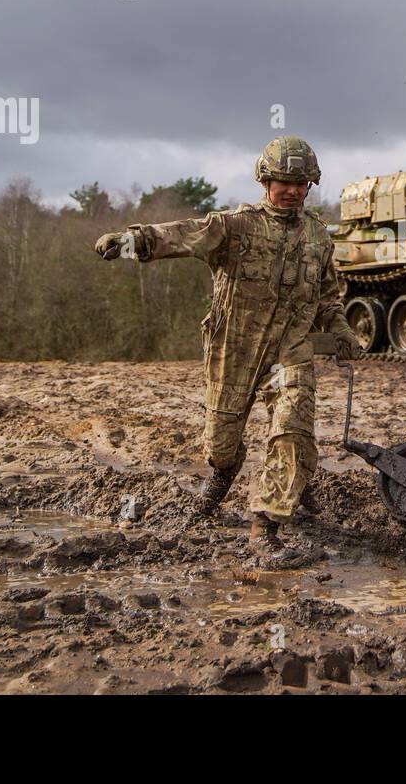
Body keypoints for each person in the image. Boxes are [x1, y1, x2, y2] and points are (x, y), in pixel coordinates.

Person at [94, 136, 361, 549]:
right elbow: (182, 235)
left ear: (311, 185)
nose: (292, 190)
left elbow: (327, 296)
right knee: (221, 445)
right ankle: (221, 476)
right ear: (265, 181)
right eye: (283, 182)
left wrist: (341, 329)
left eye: (301, 183)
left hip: (289, 353)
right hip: (233, 351)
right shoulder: (235, 227)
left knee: (292, 431)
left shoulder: (319, 237)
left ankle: (266, 526)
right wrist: (133, 241)